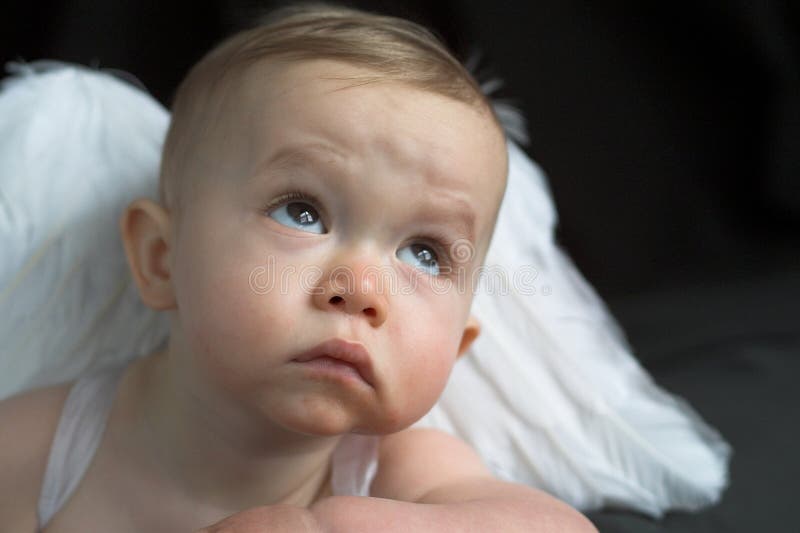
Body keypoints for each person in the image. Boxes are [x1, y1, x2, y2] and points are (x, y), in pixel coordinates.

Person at [0, 3, 598, 531]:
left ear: (459, 345)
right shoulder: (48, 447)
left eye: (424, 253)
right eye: (302, 212)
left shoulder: (393, 470)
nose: (362, 291)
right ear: (161, 258)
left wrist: (325, 527)